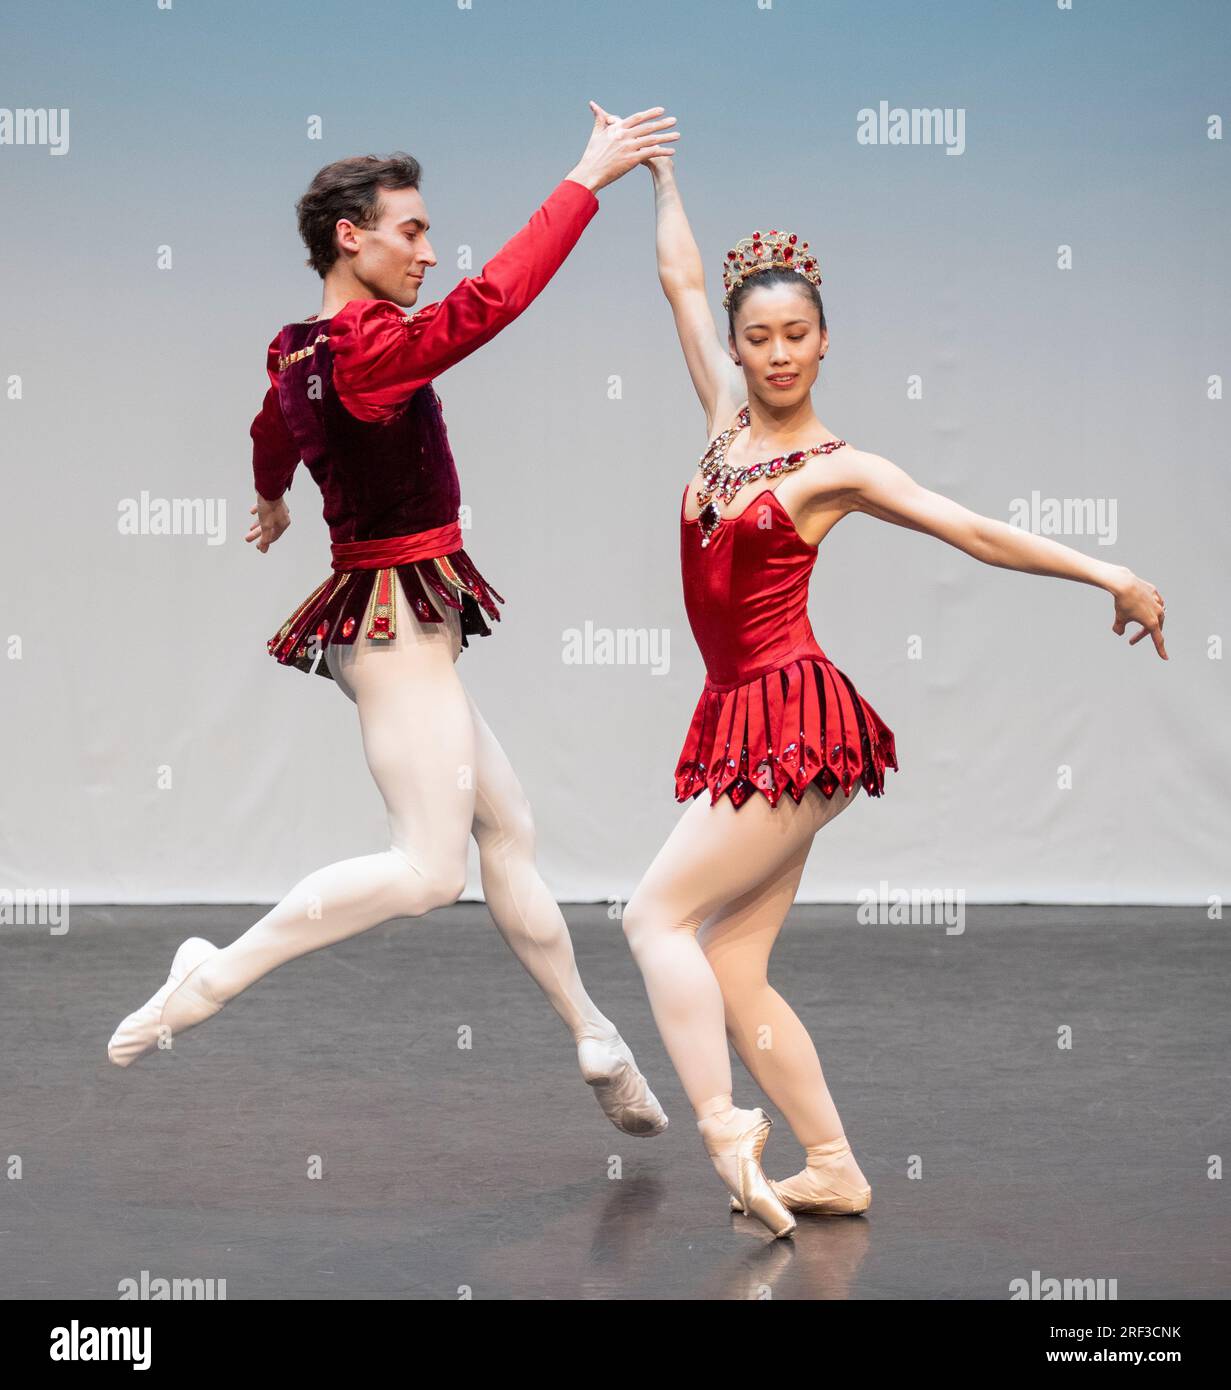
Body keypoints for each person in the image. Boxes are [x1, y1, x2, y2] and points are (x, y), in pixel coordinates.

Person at [616, 135, 1168, 1235]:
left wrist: (1105, 568)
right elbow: (680, 276)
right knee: (730, 960)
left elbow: (969, 529)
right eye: (757, 337)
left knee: (649, 916)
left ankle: (725, 1131)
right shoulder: (723, 424)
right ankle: (832, 1165)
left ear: (825, 344)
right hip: (745, 716)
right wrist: (665, 181)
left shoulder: (840, 468)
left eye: (795, 336)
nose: (776, 355)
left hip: (794, 716)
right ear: (737, 345)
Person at [107, 105, 683, 1140]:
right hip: (395, 634)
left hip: (392, 621)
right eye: (409, 231)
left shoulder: (298, 352)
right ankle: (207, 979)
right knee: (428, 869)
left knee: (507, 829)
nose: (428, 250)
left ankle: (595, 1036)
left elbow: (266, 425)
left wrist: (273, 492)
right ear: (350, 237)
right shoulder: (371, 349)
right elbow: (489, 306)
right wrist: (584, 181)